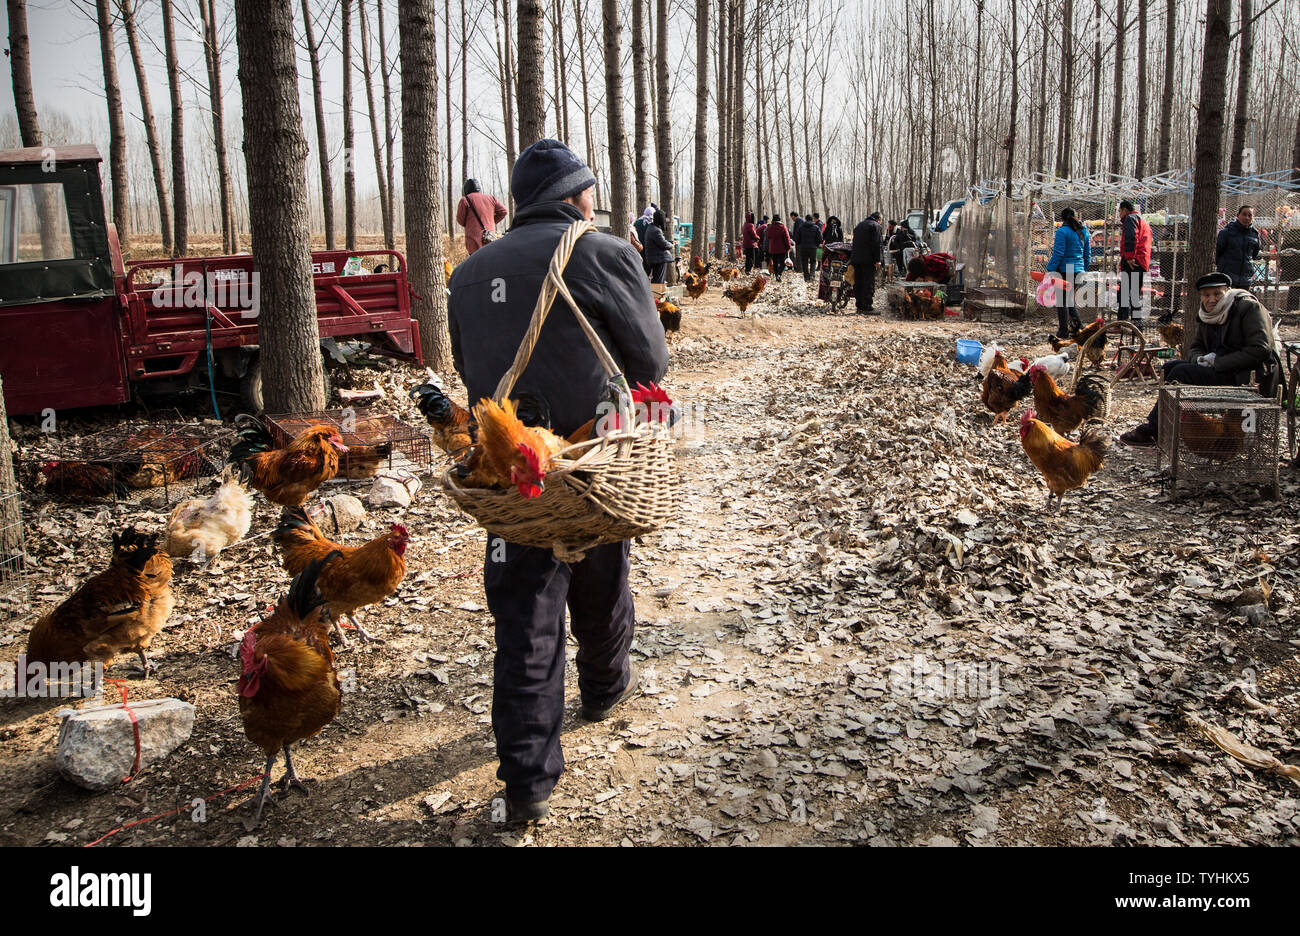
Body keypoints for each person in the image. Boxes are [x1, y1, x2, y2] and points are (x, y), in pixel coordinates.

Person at [446, 139, 669, 822]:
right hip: (588, 468)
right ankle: (603, 690)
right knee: (601, 584)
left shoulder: (466, 273)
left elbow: (466, 370)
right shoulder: (602, 252)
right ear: (575, 197)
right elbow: (652, 361)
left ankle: (526, 786)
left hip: (508, 476)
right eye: (590, 191)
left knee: (522, 626)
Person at [1120, 272, 1278, 447]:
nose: (1211, 299)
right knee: (1169, 367)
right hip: (1218, 369)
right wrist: (1201, 359)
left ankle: (1154, 430)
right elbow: (1196, 347)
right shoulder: (1206, 314)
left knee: (1180, 372)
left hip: (1244, 375)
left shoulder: (1248, 308)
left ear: (1227, 291)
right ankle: (1164, 425)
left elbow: (1260, 349)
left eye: (1217, 294)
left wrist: (1218, 362)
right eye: (1206, 295)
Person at [1046, 206, 1092, 339]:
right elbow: (1087, 253)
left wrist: (1050, 269)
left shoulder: (1062, 231)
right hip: (1078, 270)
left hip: (1066, 270)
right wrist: (1084, 269)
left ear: (1062, 219)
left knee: (1062, 302)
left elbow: (1059, 253)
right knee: (1069, 301)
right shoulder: (1084, 231)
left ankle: (1063, 331)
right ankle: (1080, 329)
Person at [1118, 199, 1152, 322]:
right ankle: (1136, 324)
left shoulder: (1130, 219)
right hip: (1142, 262)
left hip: (1133, 262)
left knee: (1124, 294)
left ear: (1125, 210)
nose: (1119, 214)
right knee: (1134, 295)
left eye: (1119, 211)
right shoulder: (1143, 221)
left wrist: (1129, 257)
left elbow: (1131, 237)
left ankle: (1123, 323)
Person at [456, 178, 508, 255]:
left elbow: (460, 220)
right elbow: (504, 211)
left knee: (476, 265)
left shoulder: (465, 200)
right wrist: (491, 222)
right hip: (489, 239)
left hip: (474, 242)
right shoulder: (491, 198)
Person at [1216, 205, 1261, 289]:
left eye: (1249, 215)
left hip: (1246, 279)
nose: (1247, 218)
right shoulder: (1227, 232)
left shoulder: (1254, 234)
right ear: (1238, 215)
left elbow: (1254, 254)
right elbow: (1218, 252)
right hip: (1228, 278)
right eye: (1244, 214)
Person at [849, 212, 883, 313]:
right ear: (878, 219)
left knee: (858, 282)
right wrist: (877, 260)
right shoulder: (875, 226)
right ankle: (867, 306)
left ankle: (859, 305)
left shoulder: (860, 225)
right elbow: (876, 244)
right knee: (868, 282)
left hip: (856, 258)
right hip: (868, 260)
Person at [643, 209, 674, 285]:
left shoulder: (651, 228)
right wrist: (671, 245)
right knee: (658, 281)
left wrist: (670, 242)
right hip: (658, 259)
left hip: (654, 258)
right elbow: (663, 244)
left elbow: (658, 242)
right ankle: (657, 296)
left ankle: (656, 295)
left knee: (657, 280)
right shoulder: (656, 230)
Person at [765, 214, 792, 281]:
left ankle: (777, 274)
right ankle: (779, 274)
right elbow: (787, 238)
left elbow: (768, 236)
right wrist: (789, 247)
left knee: (775, 263)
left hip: (773, 249)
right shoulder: (783, 227)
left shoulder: (770, 227)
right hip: (782, 249)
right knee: (782, 263)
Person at [798, 212, 823, 282]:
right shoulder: (816, 227)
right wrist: (817, 244)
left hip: (803, 248)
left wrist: (800, 243)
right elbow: (820, 239)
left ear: (805, 219)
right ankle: (812, 275)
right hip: (813, 248)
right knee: (813, 261)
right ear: (812, 219)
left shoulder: (801, 227)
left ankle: (806, 277)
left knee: (804, 262)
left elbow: (797, 238)